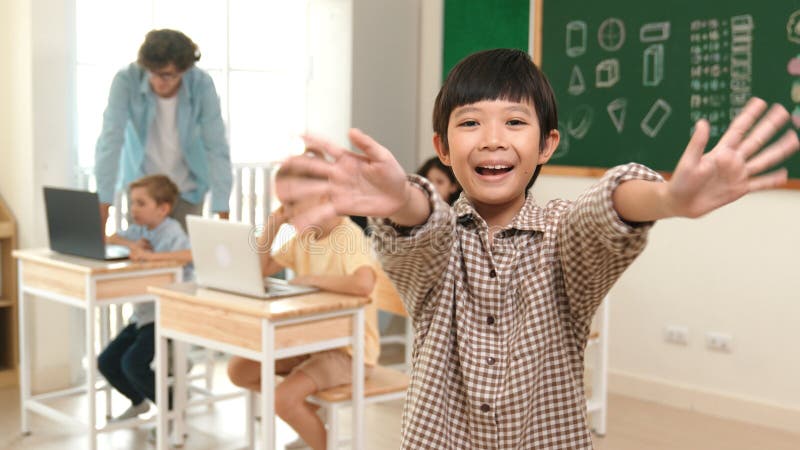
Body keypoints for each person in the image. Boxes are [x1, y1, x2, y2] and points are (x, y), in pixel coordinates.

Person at [273, 48, 799, 449]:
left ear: (547, 143)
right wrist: (400, 199)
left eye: (516, 122)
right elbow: (423, 231)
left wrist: (668, 197)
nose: (493, 139)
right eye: (471, 122)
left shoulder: (562, 235)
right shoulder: (437, 244)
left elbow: (601, 213)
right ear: (442, 147)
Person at [226, 192, 386, 450]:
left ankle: (314, 431)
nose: (286, 211)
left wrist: (313, 279)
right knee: (239, 370)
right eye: (284, 205)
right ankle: (308, 412)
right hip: (312, 341)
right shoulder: (304, 237)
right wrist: (273, 226)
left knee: (284, 400)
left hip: (350, 352)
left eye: (292, 203)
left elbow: (363, 283)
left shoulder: (348, 235)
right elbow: (258, 271)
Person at [94, 29, 232, 231]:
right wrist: (104, 202)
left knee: (185, 256)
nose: (158, 81)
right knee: (141, 251)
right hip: (143, 191)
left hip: (188, 190)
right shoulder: (126, 80)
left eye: (168, 75)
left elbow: (216, 146)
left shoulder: (201, 85)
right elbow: (110, 141)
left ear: (184, 71)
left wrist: (222, 209)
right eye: (153, 72)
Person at [98, 174, 193, 421]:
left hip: (165, 315)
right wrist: (133, 246)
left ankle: (173, 407)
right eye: (132, 203)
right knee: (106, 362)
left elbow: (189, 254)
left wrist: (150, 257)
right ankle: (138, 402)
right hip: (142, 315)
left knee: (132, 365)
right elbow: (110, 237)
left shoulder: (172, 230)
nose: (134, 209)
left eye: (141, 203)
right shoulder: (140, 230)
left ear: (163, 209)